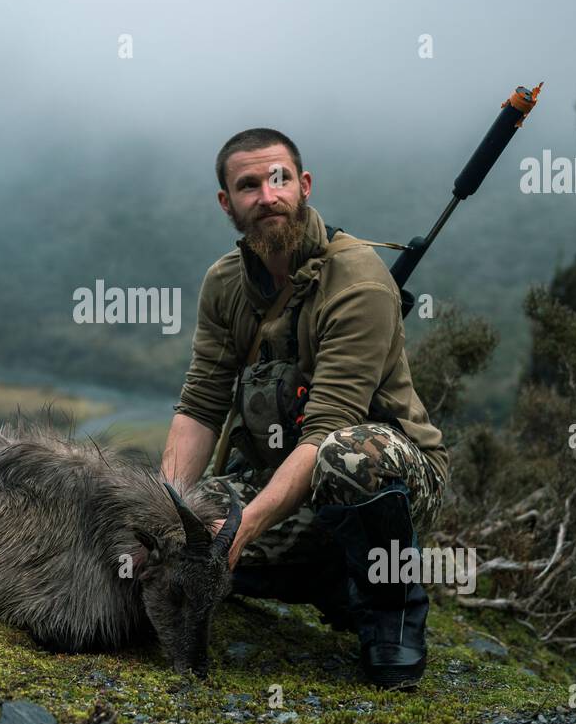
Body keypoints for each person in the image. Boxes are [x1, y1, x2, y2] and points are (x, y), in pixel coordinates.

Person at [160, 127, 450, 688]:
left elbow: (325, 431)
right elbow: (200, 405)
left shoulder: (359, 279)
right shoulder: (224, 284)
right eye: (249, 185)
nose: (267, 196)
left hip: (385, 475)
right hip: (285, 476)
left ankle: (392, 610)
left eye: (279, 179)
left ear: (304, 185)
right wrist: (164, 513)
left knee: (348, 456)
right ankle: (334, 577)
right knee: (177, 530)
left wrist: (238, 533)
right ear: (227, 203)